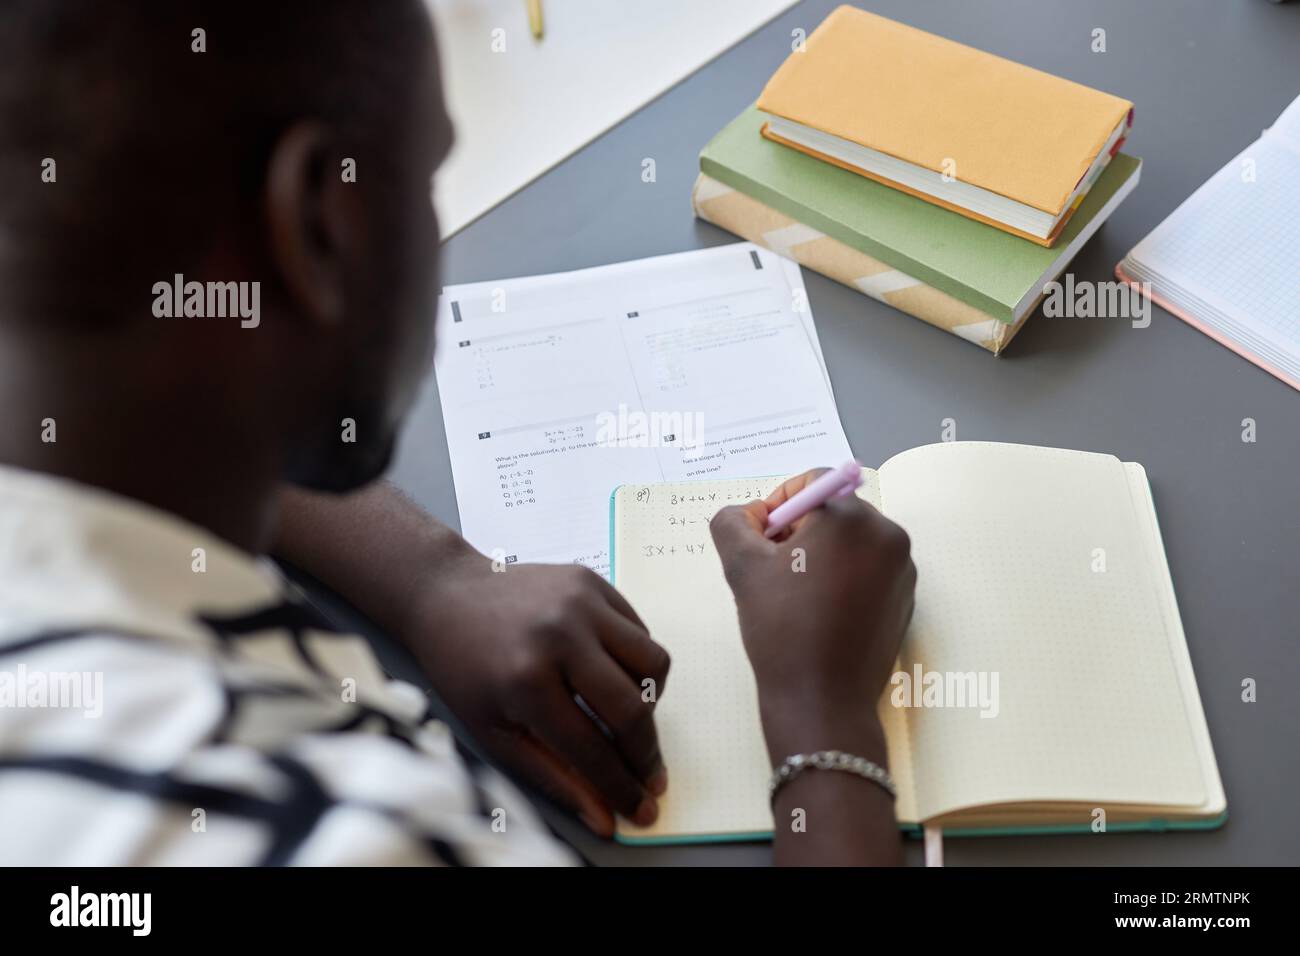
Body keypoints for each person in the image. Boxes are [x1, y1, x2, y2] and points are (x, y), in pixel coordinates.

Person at [0, 0, 915, 866]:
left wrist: (435, 576)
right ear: (324, 223)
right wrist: (822, 718)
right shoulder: (363, 835)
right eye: (429, 172)